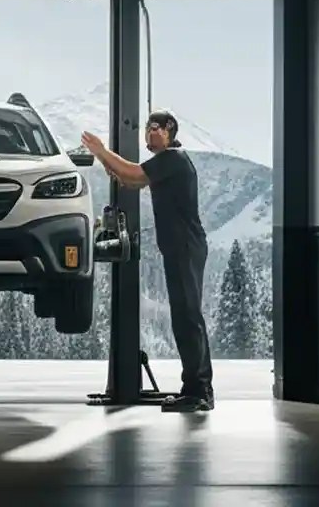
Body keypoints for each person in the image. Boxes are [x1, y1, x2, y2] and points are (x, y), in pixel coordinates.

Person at [81, 111, 214, 412]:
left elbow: (133, 175)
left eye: (155, 128)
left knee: (187, 317)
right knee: (186, 316)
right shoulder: (167, 163)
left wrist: (102, 151)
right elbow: (131, 182)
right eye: (147, 128)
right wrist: (105, 160)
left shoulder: (173, 158)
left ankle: (199, 390)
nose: (149, 133)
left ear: (169, 131)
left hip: (185, 247)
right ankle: (198, 388)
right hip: (181, 247)